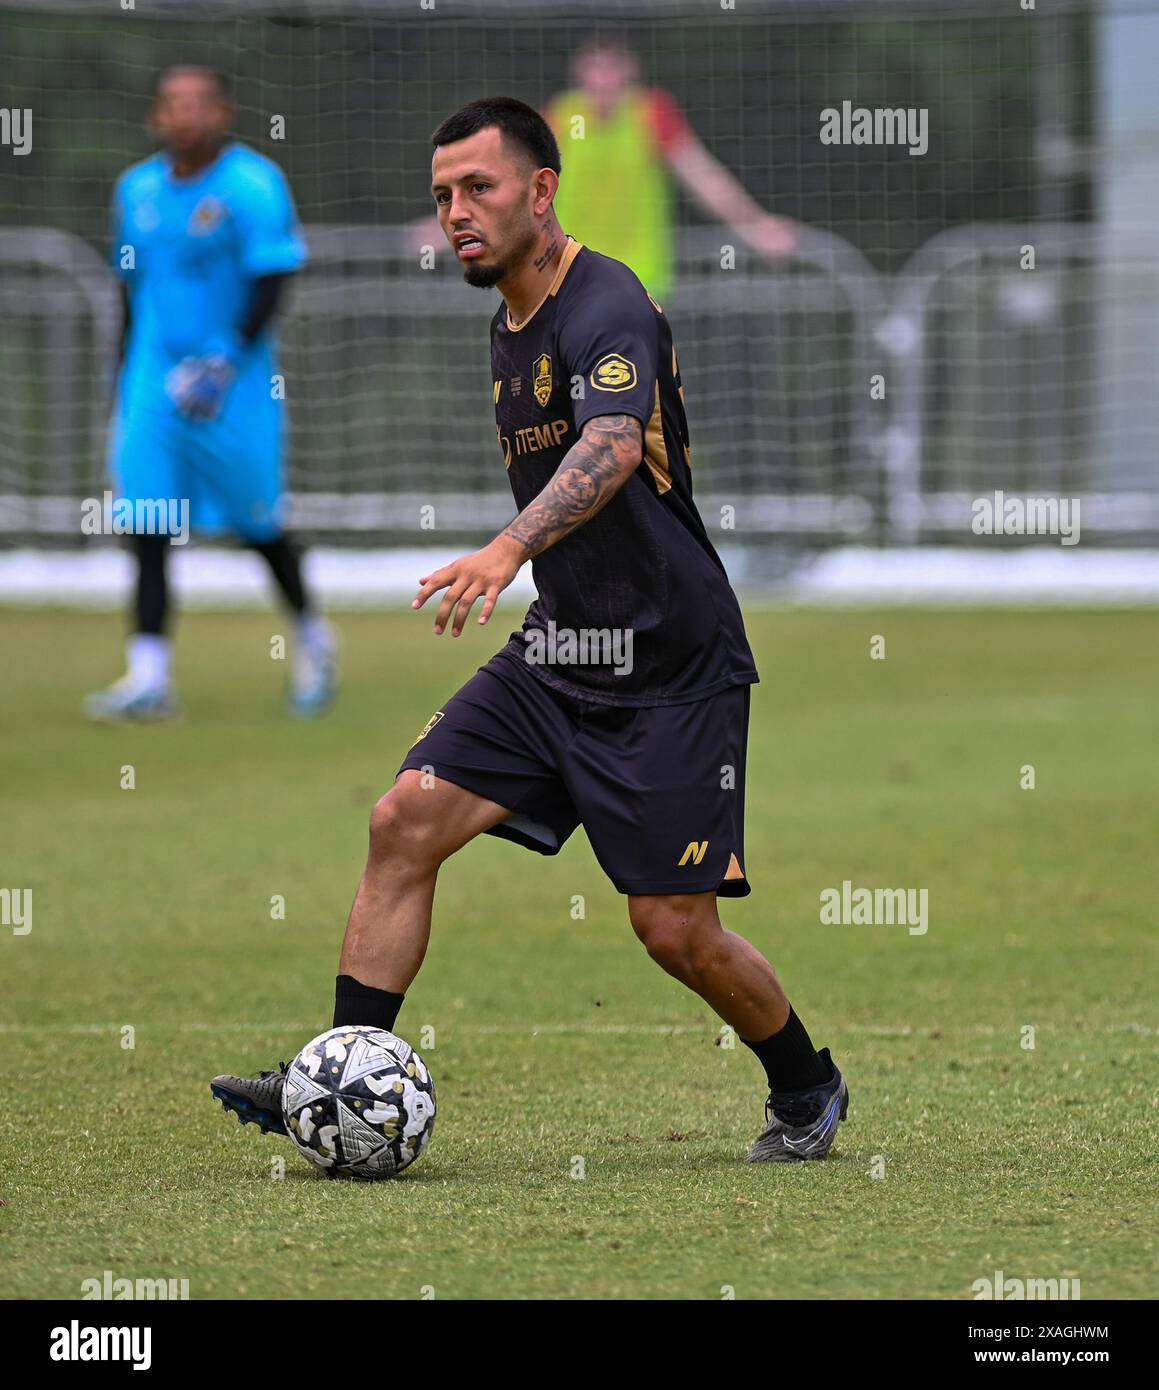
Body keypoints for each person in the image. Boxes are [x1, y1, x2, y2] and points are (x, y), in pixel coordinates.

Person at [212, 96, 848, 1164]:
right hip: (561, 650)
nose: (457, 212)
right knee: (400, 823)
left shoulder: (608, 304)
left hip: (672, 665)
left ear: (541, 190)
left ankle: (807, 1085)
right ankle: (342, 1070)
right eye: (442, 196)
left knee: (672, 929)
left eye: (479, 189)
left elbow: (606, 444)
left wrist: (505, 550)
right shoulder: (503, 319)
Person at [86, 66, 337, 722]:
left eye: (198, 103)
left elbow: (274, 277)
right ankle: (149, 676)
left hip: (235, 383)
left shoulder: (253, 183)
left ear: (222, 112)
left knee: (259, 523)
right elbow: (127, 287)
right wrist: (122, 383)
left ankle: (311, 636)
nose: (185, 115)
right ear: (155, 117)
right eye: (173, 104)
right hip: (151, 381)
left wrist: (224, 355)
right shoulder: (136, 189)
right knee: (147, 522)